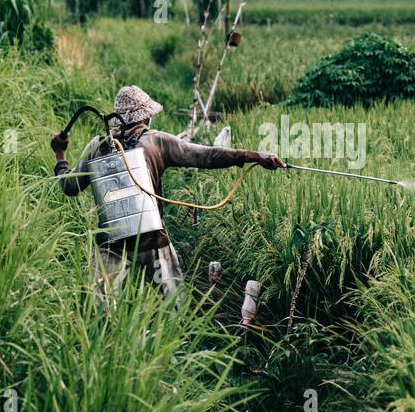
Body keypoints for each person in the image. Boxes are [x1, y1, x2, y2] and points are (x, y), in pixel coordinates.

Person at [51, 85, 285, 301]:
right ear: (144, 116)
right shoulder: (157, 141)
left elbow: (69, 187)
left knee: (102, 313)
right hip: (150, 238)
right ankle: (175, 343)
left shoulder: (98, 144)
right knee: (170, 306)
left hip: (111, 243)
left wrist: (60, 154)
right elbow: (206, 155)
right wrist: (254, 156)